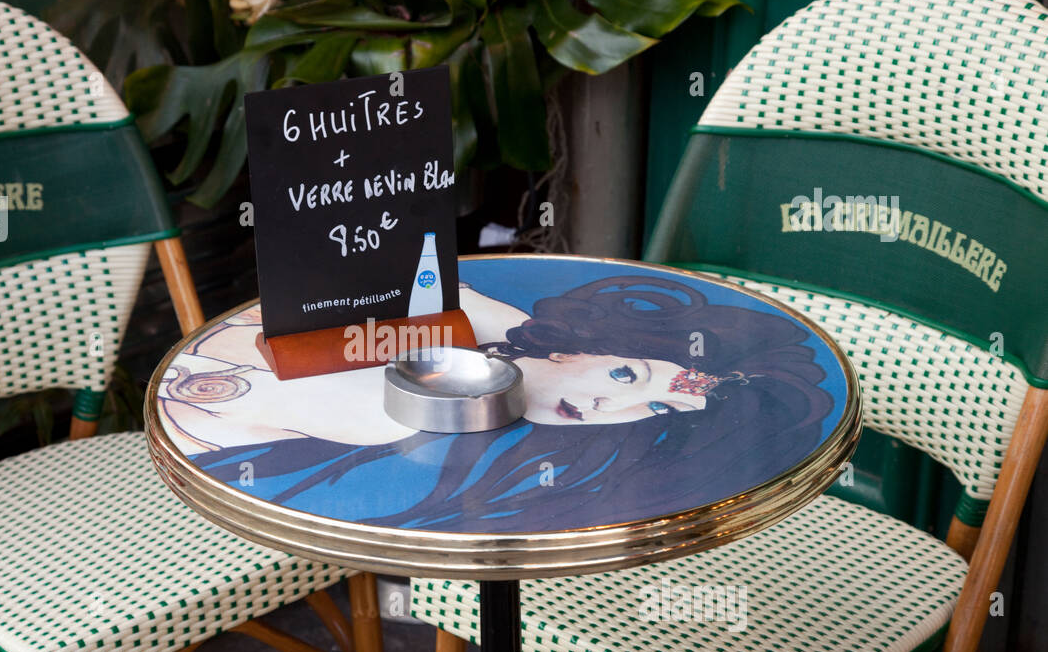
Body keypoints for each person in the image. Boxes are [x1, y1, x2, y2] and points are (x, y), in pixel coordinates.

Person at [158, 274, 835, 532]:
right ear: (587, 346)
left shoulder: (421, 421)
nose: (606, 403)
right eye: (628, 374)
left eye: (655, 410)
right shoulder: (392, 396)